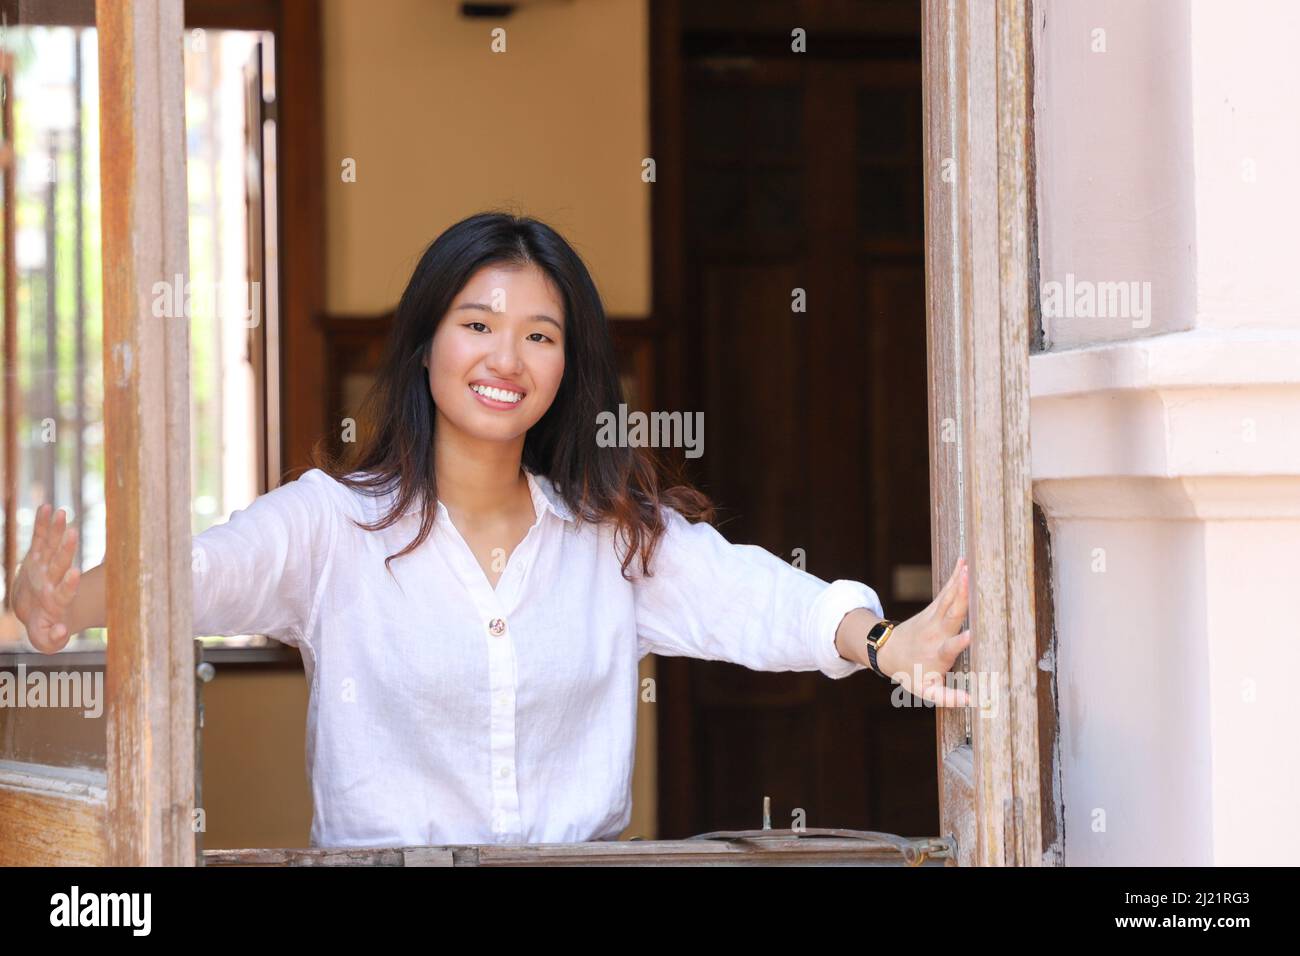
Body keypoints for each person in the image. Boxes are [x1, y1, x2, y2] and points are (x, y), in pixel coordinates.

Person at [11, 211, 972, 847]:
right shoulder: (331, 526)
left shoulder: (612, 536)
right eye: (477, 324)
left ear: (567, 367)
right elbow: (200, 575)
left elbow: (757, 599)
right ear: (426, 340)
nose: (505, 356)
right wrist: (71, 604)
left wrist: (886, 643)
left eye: (540, 335)